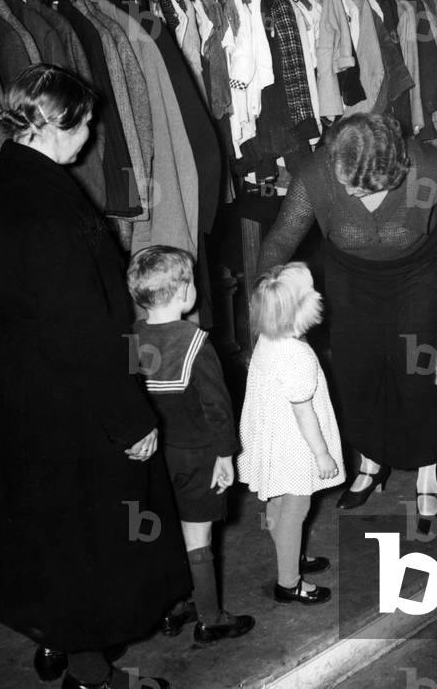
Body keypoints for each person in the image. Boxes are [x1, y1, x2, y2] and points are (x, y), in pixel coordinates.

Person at [0, 64, 182, 689]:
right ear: (52, 122)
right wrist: (130, 418)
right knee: (93, 529)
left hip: (26, 385)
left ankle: (53, 636)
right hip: (76, 393)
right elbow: (82, 328)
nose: (90, 136)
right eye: (84, 123)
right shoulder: (48, 206)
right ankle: (91, 673)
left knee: (44, 521)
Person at [257, 113, 437, 538]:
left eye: (361, 186)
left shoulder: (427, 166)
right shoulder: (318, 172)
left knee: (418, 375)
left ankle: (427, 475)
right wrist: (267, 307)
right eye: (345, 180)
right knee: (359, 370)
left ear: (394, 170)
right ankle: (371, 462)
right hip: (350, 280)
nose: (350, 191)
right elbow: (282, 239)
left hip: (417, 276)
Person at [126, 245, 255, 646]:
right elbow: (218, 407)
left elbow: (132, 400)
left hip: (155, 459)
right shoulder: (196, 342)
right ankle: (211, 619)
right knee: (198, 540)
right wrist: (226, 455)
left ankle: (176, 605)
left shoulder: (132, 339)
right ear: (185, 293)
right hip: (198, 456)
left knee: (164, 534)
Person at [237, 263, 344, 605]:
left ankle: (290, 553)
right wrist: (322, 453)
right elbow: (303, 411)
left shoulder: (268, 340)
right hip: (295, 445)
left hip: (270, 439)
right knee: (295, 511)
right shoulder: (298, 355)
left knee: (277, 503)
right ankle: (289, 582)